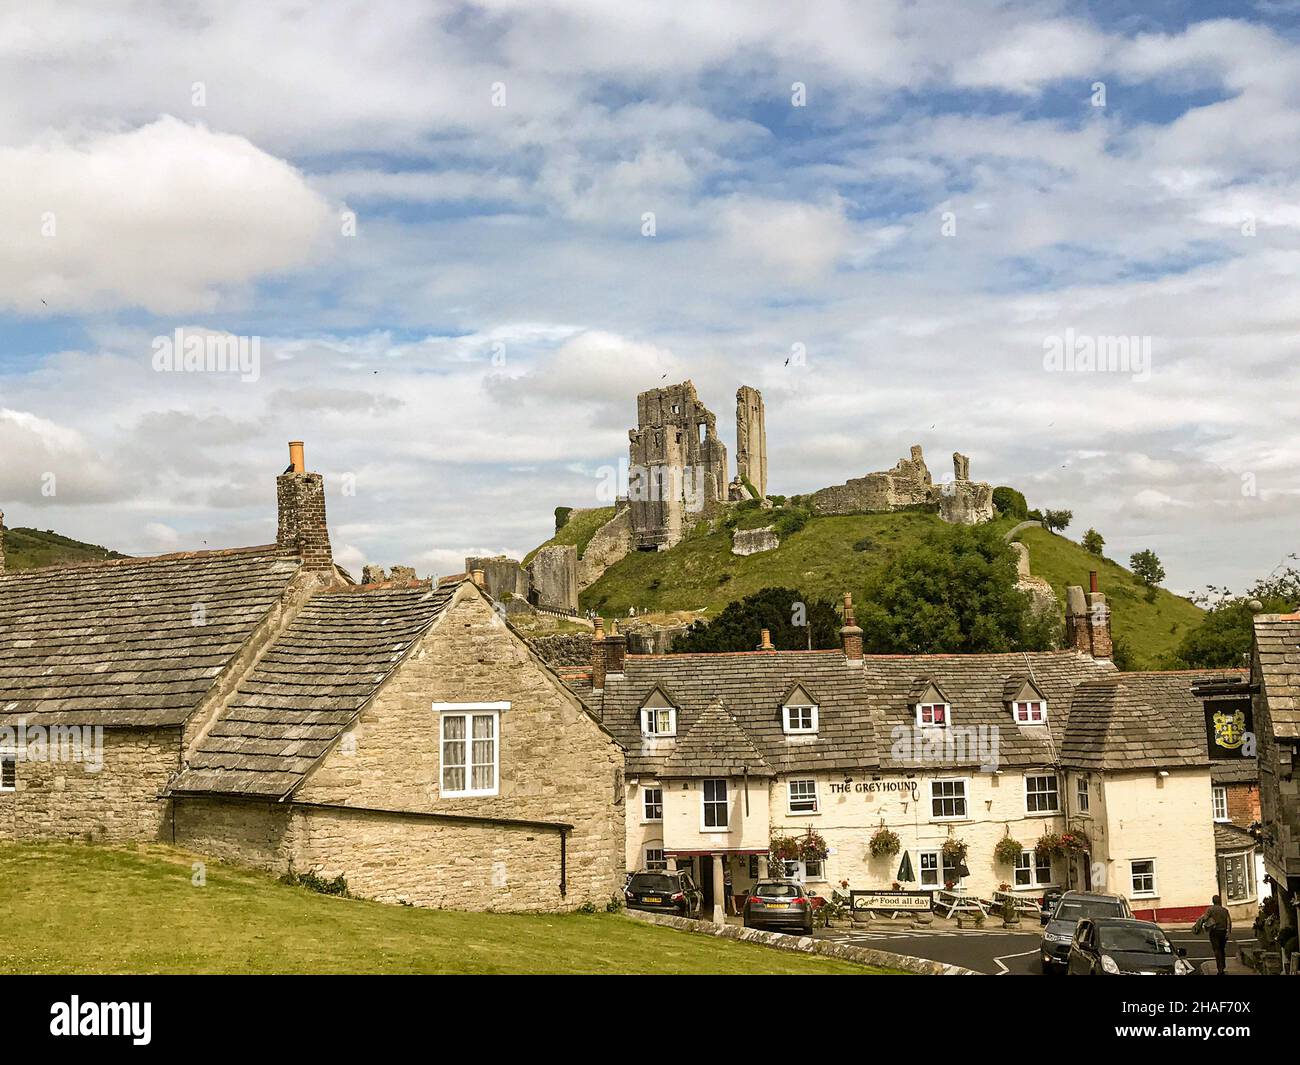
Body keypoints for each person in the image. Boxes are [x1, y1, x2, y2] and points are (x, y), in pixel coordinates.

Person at [1203, 894, 1232, 975]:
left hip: (1214, 932)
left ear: (1213, 901)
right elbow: (1229, 922)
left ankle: (1220, 969)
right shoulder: (1224, 910)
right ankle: (1223, 966)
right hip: (1223, 932)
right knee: (1222, 949)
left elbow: (1205, 918)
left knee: (1217, 950)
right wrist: (1228, 932)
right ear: (1219, 901)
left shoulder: (1210, 909)